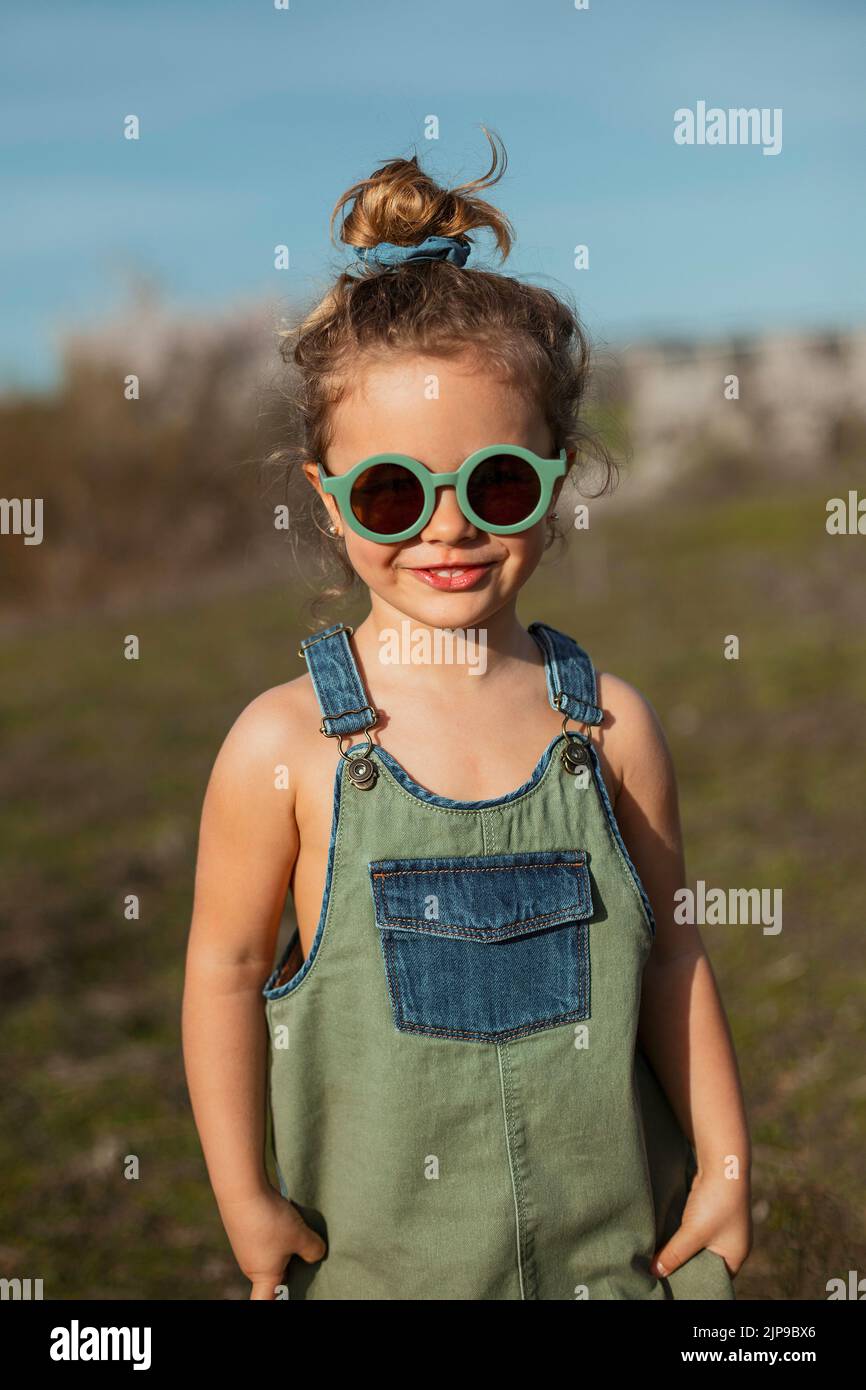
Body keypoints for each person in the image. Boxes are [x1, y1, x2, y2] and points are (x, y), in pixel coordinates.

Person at [182, 129, 752, 1300]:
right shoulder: (283, 748)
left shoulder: (607, 728)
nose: (443, 528)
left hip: (616, 1264)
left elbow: (669, 955)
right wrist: (244, 1197)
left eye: (493, 483)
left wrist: (725, 1162)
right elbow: (226, 971)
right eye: (392, 491)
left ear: (556, 480)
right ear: (328, 503)